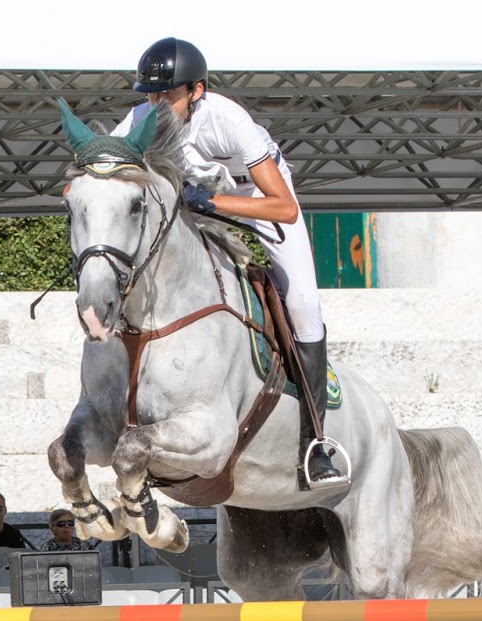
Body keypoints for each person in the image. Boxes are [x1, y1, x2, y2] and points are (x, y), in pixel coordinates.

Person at [112, 37, 347, 490]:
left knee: (303, 303)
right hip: (195, 205)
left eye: (167, 95)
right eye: (151, 95)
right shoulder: (142, 118)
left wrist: (214, 202)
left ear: (196, 91)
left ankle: (316, 443)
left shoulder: (229, 121)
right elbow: (112, 166)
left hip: (257, 200)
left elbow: (284, 208)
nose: (156, 105)